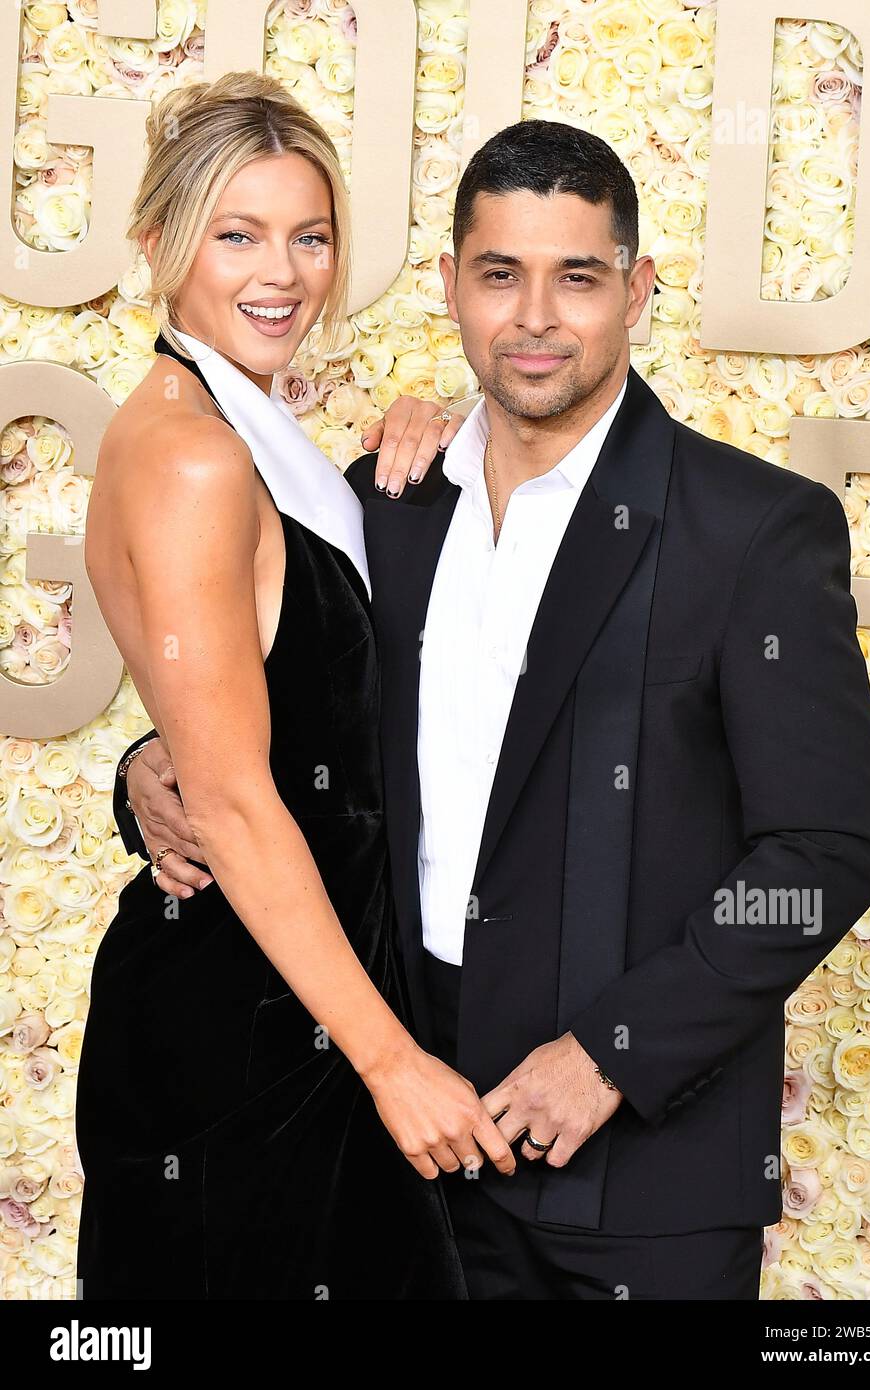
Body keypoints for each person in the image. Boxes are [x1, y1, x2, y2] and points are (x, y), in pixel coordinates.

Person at [117, 120, 870, 1300]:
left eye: (576, 275)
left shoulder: (754, 529)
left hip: (644, 1181)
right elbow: (296, 714)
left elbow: (823, 853)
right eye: (499, 274)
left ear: (634, 289)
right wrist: (154, 764)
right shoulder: (384, 503)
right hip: (396, 1143)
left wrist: (609, 1057)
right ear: (449, 287)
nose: (535, 317)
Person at [74, 71, 518, 1303]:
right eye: (237, 233)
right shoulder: (193, 455)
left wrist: (435, 440)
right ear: (159, 243)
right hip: (253, 1028)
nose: (282, 272)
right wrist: (390, 1063)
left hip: (303, 984)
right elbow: (228, 800)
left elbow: (295, 689)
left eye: (308, 236)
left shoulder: (238, 422)